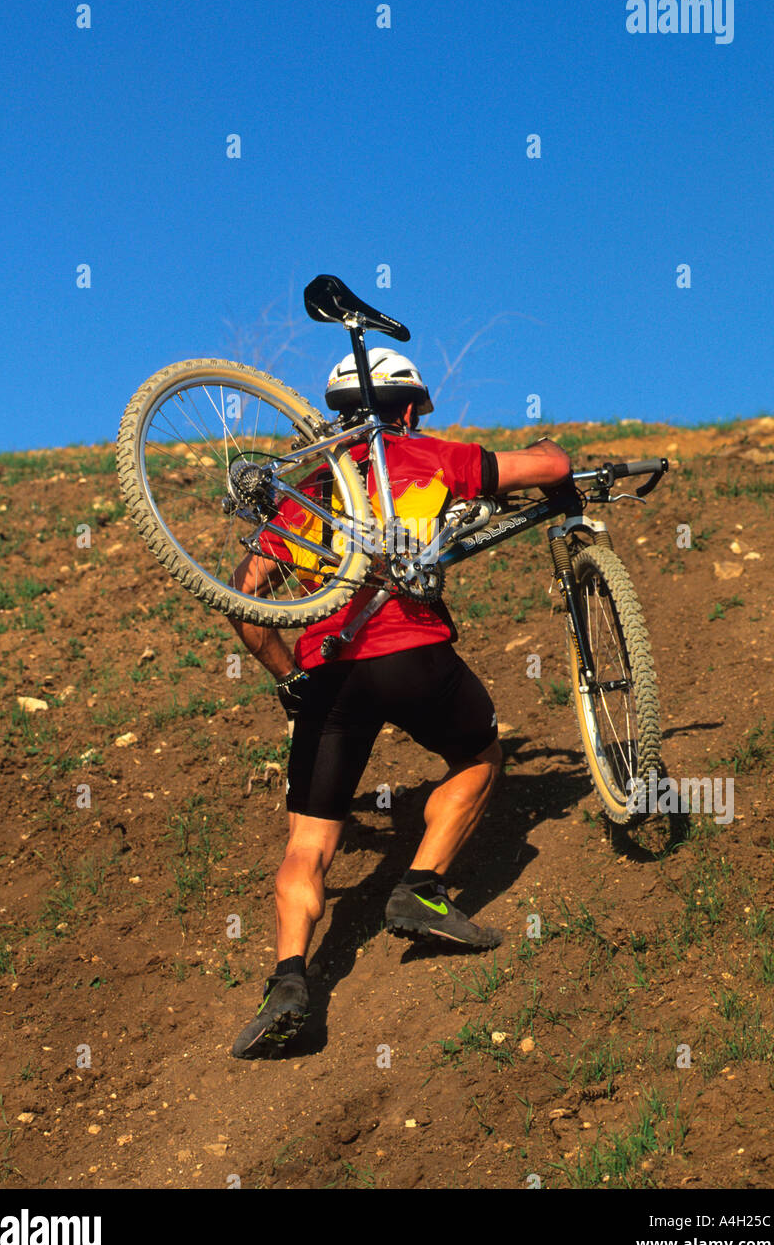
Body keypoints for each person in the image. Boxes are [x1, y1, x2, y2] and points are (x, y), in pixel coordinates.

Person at [228, 348, 571, 1058]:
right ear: (408, 408)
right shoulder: (432, 456)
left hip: (328, 669)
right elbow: (550, 471)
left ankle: (288, 980)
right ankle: (421, 889)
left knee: (308, 840)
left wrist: (290, 676)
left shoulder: (307, 491)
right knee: (476, 755)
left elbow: (246, 606)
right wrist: (547, 449)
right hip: (411, 652)